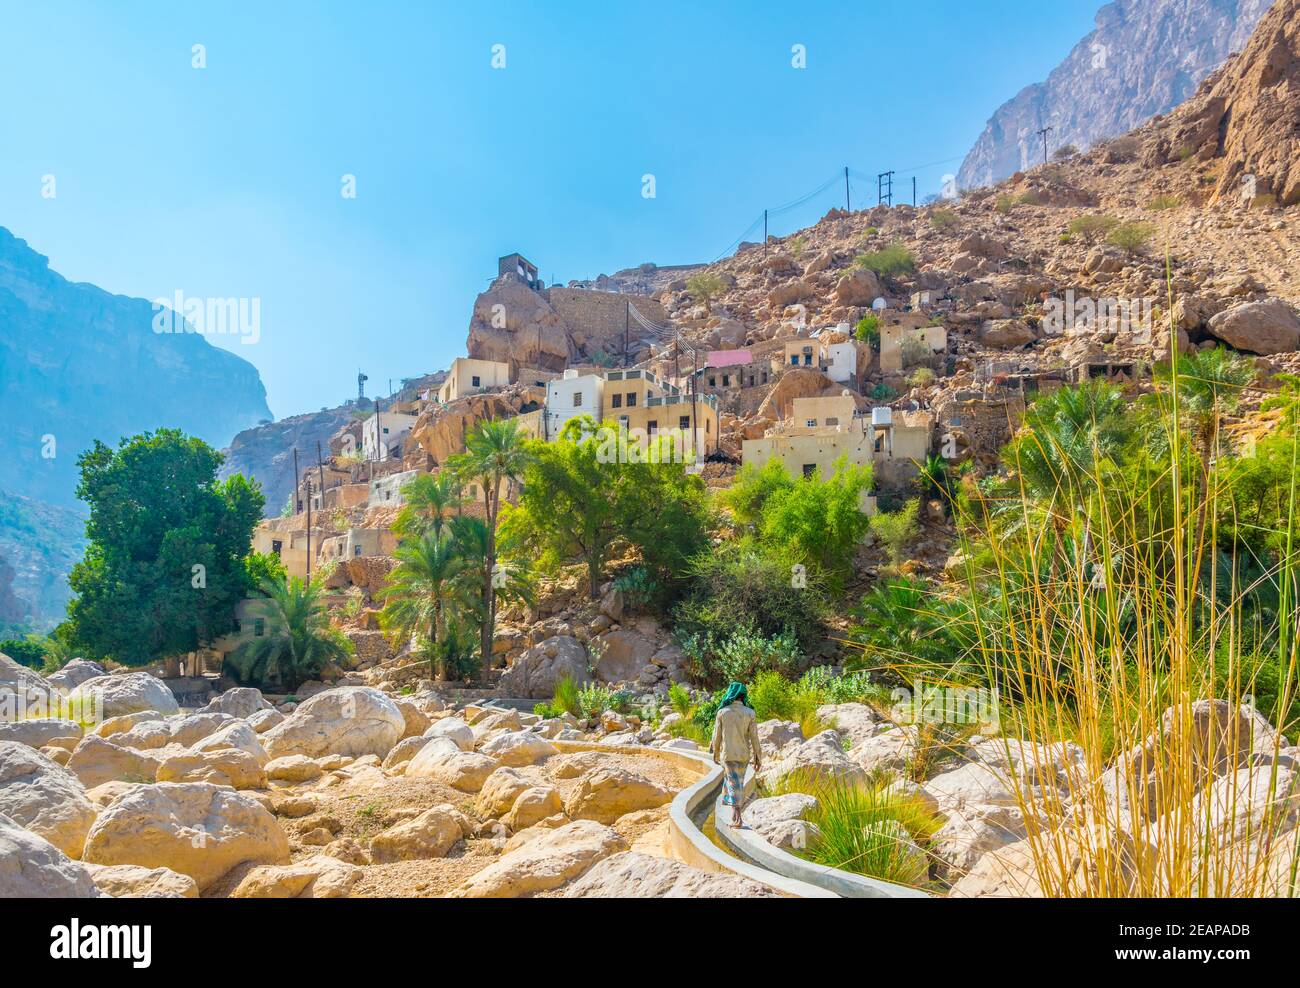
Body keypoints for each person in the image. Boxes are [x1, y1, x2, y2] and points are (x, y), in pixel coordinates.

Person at [710, 680, 762, 827]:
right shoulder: (750, 713)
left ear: (731, 694)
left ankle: (738, 818)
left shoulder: (722, 712)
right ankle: (734, 816)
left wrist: (715, 752)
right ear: (743, 696)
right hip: (744, 755)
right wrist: (758, 757)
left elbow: (717, 736)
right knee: (736, 782)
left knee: (734, 784)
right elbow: (754, 738)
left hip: (728, 754)